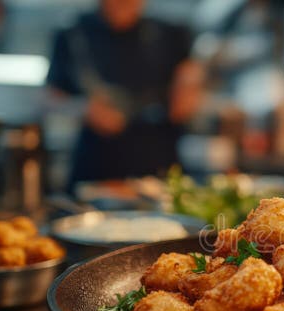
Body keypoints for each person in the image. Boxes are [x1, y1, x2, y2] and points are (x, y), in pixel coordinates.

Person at [46, 0, 203, 189]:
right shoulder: (73, 34)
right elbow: (50, 96)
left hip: (158, 165)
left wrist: (189, 91)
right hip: (95, 165)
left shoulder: (173, 34)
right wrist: (83, 108)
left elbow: (191, 82)